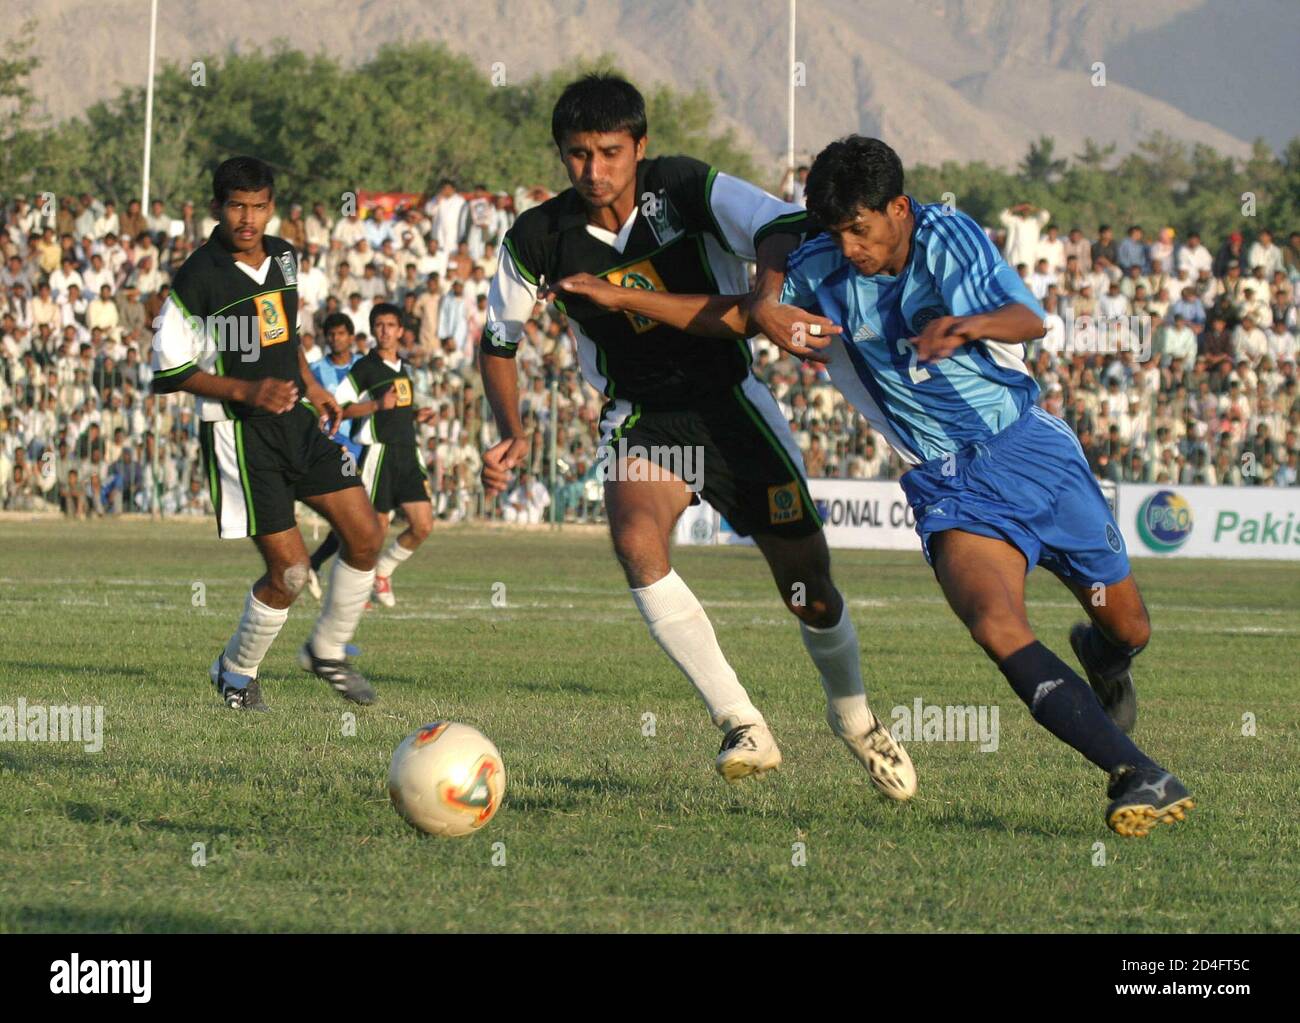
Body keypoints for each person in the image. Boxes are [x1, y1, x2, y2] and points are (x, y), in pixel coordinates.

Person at [568, 135, 1192, 838]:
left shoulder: (950, 238)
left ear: (898, 208)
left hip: (1033, 452)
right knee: (994, 624)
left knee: (1128, 623)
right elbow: (742, 313)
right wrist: (618, 294)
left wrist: (964, 325)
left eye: (859, 229)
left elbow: (1031, 320)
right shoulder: (819, 265)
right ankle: (1136, 771)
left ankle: (1109, 658)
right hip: (950, 487)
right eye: (835, 231)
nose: (850, 247)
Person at [482, 74, 915, 796]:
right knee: (635, 539)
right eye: (578, 155)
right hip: (643, 416)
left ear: (640, 147)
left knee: (809, 590)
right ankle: (742, 721)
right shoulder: (538, 237)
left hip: (729, 405)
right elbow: (498, 341)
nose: (594, 170)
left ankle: (857, 719)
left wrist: (767, 301)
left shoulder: (683, 187)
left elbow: (781, 224)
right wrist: (511, 431)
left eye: (609, 152)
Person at [150, 156, 383, 711]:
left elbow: (286, 335)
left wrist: (313, 386)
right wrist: (248, 391)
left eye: (257, 206)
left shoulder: (283, 256)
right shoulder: (199, 275)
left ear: (271, 207)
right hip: (239, 436)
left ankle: (326, 651)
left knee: (368, 535)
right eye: (236, 206)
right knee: (293, 572)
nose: (247, 218)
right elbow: (169, 368)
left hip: (298, 423)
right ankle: (236, 671)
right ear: (216, 209)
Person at [334, 303, 438, 607]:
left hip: (408, 451)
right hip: (378, 453)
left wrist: (419, 415)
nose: (385, 331)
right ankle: (354, 591)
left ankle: (383, 571)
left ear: (400, 331)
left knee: (423, 524)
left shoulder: (403, 369)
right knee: (373, 529)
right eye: (379, 325)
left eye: (390, 325)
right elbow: (339, 408)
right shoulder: (364, 367)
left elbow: (399, 409)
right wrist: (377, 406)